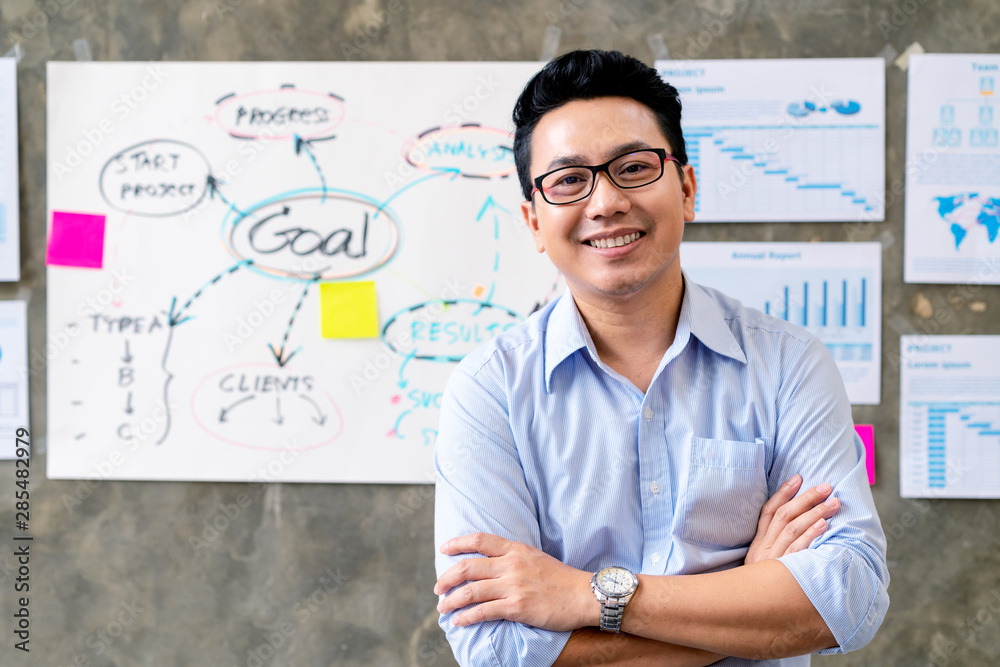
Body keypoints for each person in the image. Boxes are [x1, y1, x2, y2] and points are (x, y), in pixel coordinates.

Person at [433, 49, 888, 666]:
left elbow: (851, 599)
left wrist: (584, 597)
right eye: (569, 180)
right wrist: (746, 595)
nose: (606, 202)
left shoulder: (788, 366)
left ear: (688, 187)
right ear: (534, 223)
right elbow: (496, 647)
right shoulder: (489, 391)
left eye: (634, 167)